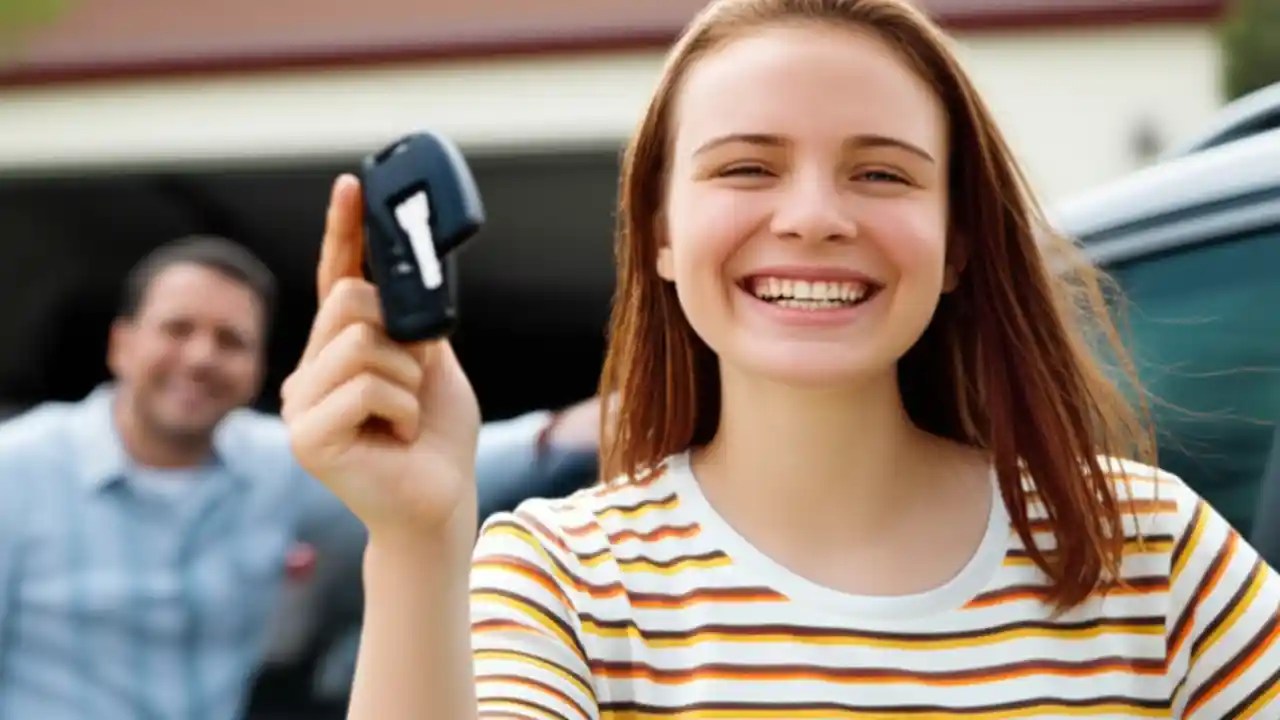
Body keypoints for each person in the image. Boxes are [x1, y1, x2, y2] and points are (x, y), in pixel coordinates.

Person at [282, 0, 1280, 717]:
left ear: (956, 244)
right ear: (660, 235)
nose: (812, 217)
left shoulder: (1153, 553)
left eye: (880, 172)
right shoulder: (564, 582)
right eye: (746, 167)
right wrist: (417, 537)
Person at [0, 235, 598, 720]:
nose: (202, 357)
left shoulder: (274, 465)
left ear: (258, 368)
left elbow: (459, 460)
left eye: (230, 340)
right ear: (120, 345)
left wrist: (588, 423)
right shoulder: (15, 468)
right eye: (177, 330)